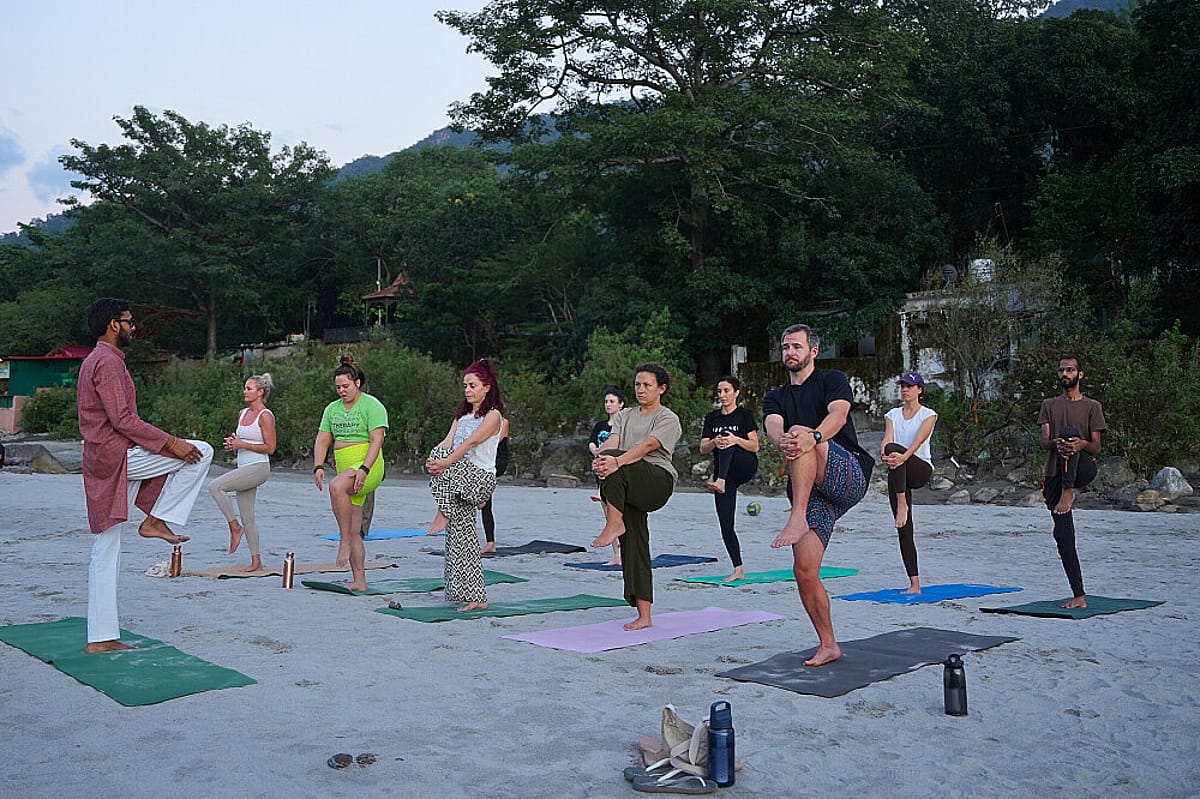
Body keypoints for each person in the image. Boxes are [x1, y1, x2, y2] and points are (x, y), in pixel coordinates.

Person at [76, 298, 214, 654]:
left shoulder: (100, 360)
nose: (133, 327)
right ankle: (157, 519)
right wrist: (172, 443)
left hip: (107, 457)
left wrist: (166, 445)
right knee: (200, 452)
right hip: (117, 457)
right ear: (112, 324)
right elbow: (123, 420)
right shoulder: (105, 362)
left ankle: (100, 637)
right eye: (128, 321)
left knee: (105, 547)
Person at [762, 324, 872, 666]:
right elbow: (773, 427)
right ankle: (828, 644)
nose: (789, 352)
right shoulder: (775, 396)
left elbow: (838, 415)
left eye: (796, 346)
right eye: (785, 347)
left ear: (813, 351)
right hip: (813, 493)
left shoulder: (832, 380)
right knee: (805, 571)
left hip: (846, 472)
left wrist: (814, 437)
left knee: (801, 432)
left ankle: (796, 518)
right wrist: (786, 442)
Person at [591, 364, 681, 631]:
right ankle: (644, 615)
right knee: (635, 544)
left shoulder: (667, 418)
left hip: (656, 481)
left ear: (661, 389)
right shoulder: (626, 414)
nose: (641, 389)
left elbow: (647, 447)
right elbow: (613, 442)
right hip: (627, 478)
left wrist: (614, 462)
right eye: (637, 385)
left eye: (647, 385)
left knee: (615, 460)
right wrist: (599, 459)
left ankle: (613, 521)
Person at [427, 359, 505, 611]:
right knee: (462, 537)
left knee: (444, 459)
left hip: (480, 479)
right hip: (457, 479)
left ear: (486, 387)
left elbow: (470, 443)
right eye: (465, 386)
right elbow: (447, 443)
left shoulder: (494, 417)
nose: (467, 390)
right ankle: (475, 596)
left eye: (472, 385)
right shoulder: (462, 416)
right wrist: (433, 459)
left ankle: (443, 510)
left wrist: (445, 462)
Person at [312, 354, 387, 592]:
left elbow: (377, 441)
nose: (341, 391)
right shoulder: (332, 409)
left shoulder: (371, 405)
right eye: (338, 387)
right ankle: (360, 580)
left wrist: (364, 469)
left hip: (369, 465)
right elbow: (323, 439)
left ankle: (342, 539)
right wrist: (318, 466)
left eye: (345, 386)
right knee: (355, 529)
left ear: (357, 383)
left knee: (336, 487)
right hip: (345, 467)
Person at [1038, 355, 1105, 609]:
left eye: (1070, 370)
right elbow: (1044, 441)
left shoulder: (1092, 406)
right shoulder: (1049, 405)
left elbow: (1096, 447)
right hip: (1055, 472)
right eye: (1062, 370)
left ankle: (1069, 491)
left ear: (1080, 375)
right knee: (1063, 535)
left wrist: (1080, 444)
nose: (1065, 374)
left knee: (1071, 435)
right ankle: (1078, 595)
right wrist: (1057, 443)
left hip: (1084, 469)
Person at [207, 373, 277, 572]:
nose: (245, 391)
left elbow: (270, 448)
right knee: (249, 517)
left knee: (215, 487)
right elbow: (243, 441)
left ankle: (234, 527)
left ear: (260, 392)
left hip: (259, 468)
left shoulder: (266, 416)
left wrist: (242, 444)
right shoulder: (242, 413)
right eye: (245, 388)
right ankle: (256, 561)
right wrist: (234, 444)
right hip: (244, 467)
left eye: (249, 388)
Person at [880, 371, 938, 594]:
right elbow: (888, 438)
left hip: (919, 468)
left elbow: (919, 439)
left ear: (920, 390)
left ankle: (902, 503)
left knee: (896, 451)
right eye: (903, 386)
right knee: (904, 529)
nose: (905, 389)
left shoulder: (928, 415)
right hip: (897, 470)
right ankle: (915, 584)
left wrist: (902, 455)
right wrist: (885, 452)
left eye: (910, 386)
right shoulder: (892, 415)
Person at [699, 376, 760, 582]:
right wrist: (715, 442)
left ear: (736, 393)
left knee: (728, 437)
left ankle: (721, 480)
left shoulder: (744, 415)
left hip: (744, 465)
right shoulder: (712, 418)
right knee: (726, 522)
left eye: (726, 390)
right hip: (724, 474)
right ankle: (738, 568)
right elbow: (703, 447)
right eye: (720, 391)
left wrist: (734, 439)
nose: (722, 395)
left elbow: (754, 446)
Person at [588, 385, 626, 566]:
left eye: (612, 401)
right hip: (601, 471)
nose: (608, 405)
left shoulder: (624, 426)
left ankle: (627, 553)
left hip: (617, 471)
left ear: (621, 404)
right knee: (608, 517)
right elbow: (592, 443)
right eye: (606, 401)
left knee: (622, 515)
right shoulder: (600, 426)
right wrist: (595, 450)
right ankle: (617, 555)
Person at [478, 415, 510, 554]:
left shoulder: (503, 422)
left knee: (484, 495)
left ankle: (480, 494)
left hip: (497, 461)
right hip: (484, 460)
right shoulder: (480, 421)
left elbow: (495, 440)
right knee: (487, 506)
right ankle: (490, 543)